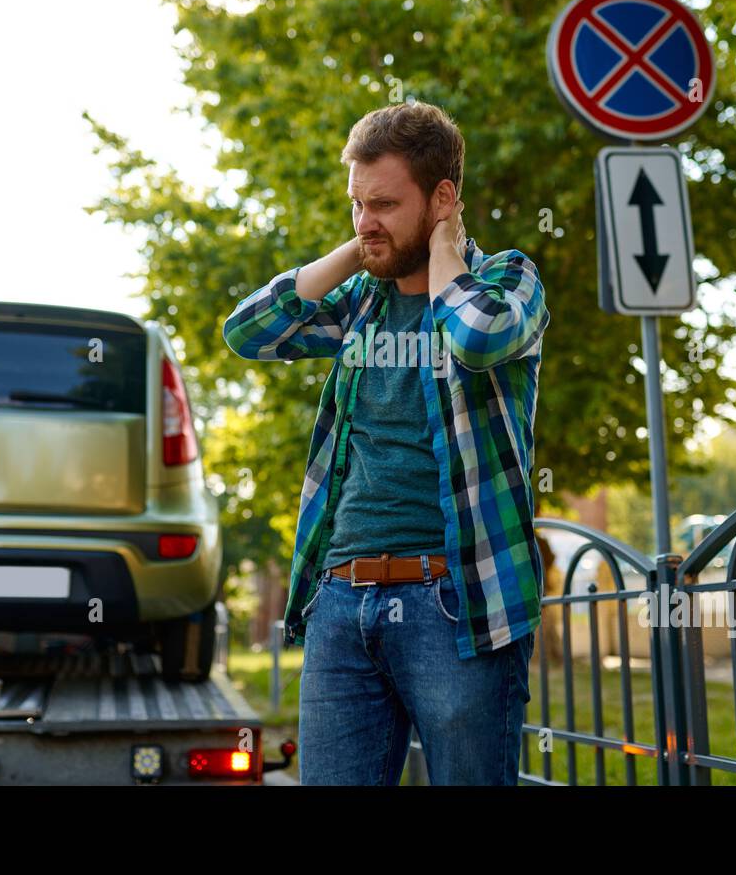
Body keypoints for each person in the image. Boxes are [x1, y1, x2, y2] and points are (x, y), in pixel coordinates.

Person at [223, 100, 550, 785]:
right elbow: (248, 331)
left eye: (385, 204)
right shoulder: (358, 305)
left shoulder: (506, 282)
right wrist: (367, 244)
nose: (366, 219)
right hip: (341, 603)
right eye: (356, 204)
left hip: (456, 604)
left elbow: (477, 338)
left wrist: (441, 252)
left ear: (443, 197)